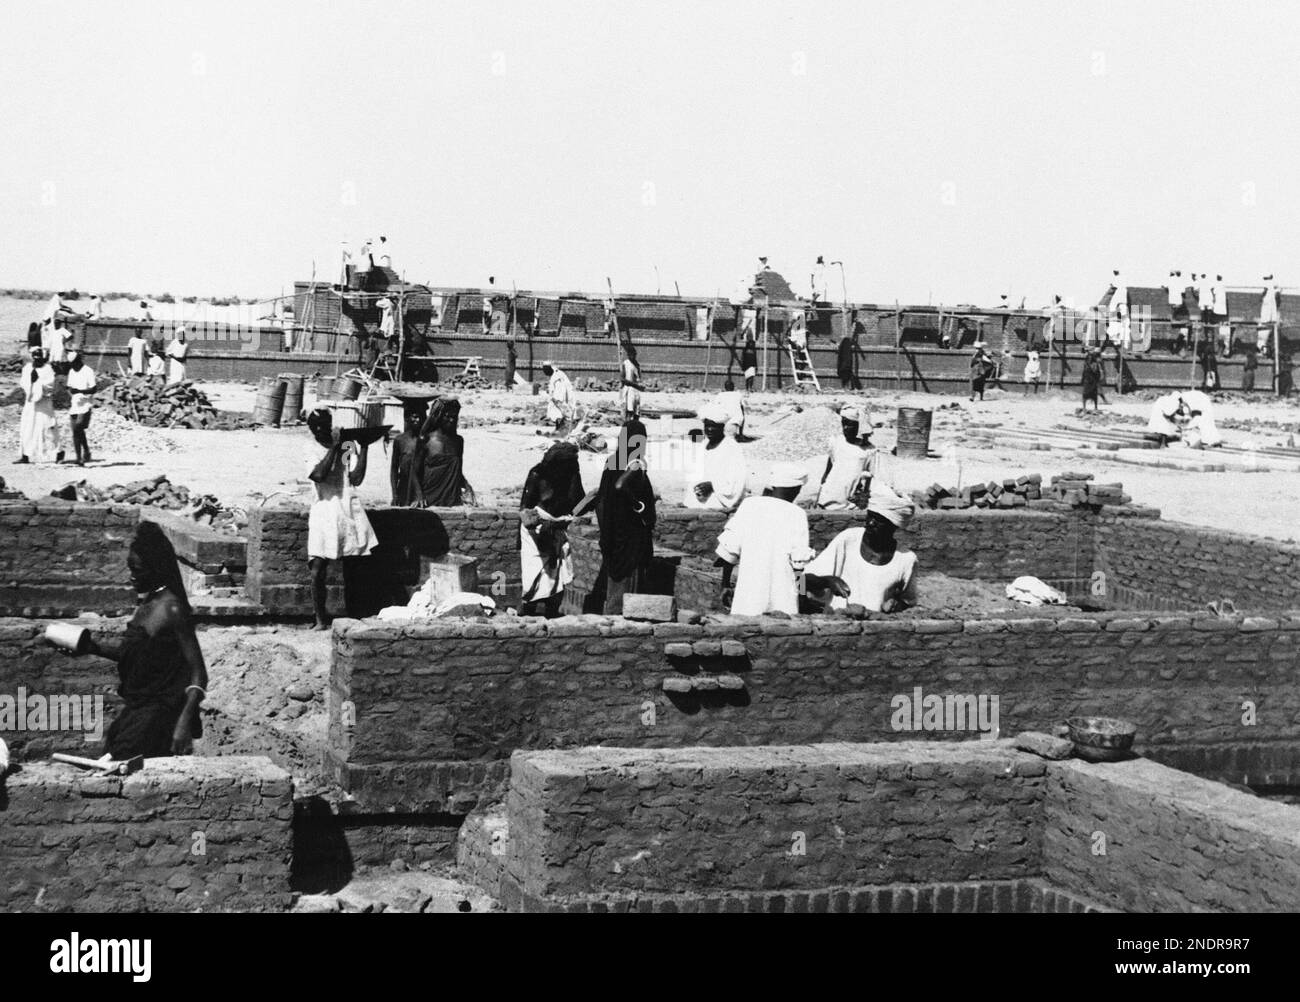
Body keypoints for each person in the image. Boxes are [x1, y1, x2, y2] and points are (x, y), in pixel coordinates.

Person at [71, 521, 207, 759]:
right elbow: (137, 654)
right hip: (136, 710)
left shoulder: (171, 609)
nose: (132, 577)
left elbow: (199, 673)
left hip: (157, 716)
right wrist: (92, 648)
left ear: (156, 569)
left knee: (123, 764)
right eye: (130, 568)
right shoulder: (147, 604)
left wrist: (183, 723)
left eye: (138, 570)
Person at [305, 408, 379, 629]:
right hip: (324, 508)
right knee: (317, 567)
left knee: (353, 565)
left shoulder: (347, 446)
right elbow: (319, 475)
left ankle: (353, 614)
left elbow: (355, 477)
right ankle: (320, 619)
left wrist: (364, 447)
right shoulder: (310, 447)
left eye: (325, 424)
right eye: (316, 426)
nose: (321, 430)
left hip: (346, 506)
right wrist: (335, 447)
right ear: (310, 428)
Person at [714, 463, 811, 616]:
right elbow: (799, 565)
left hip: (749, 594)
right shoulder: (797, 514)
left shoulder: (749, 505)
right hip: (783, 596)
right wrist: (802, 594)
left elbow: (730, 551)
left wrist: (725, 584)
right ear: (798, 489)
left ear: (773, 484)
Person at [805, 486, 919, 614]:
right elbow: (804, 580)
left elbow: (908, 601)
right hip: (837, 623)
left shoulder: (906, 559)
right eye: (870, 517)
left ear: (894, 526)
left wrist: (895, 605)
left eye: (879, 521)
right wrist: (827, 581)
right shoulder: (848, 540)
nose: (870, 524)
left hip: (875, 628)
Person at [594, 419, 656, 614]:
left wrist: (605, 530)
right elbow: (620, 486)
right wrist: (639, 506)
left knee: (615, 583)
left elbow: (601, 498)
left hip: (613, 531)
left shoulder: (613, 460)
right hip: (629, 534)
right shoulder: (635, 463)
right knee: (629, 584)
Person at [519, 441, 584, 617]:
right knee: (535, 575)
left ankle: (551, 615)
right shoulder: (537, 474)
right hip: (535, 530)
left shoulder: (571, 474)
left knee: (556, 578)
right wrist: (540, 528)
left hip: (558, 528)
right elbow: (525, 510)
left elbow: (578, 503)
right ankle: (528, 615)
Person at [413, 396, 475, 507]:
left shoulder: (458, 441)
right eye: (447, 416)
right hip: (429, 498)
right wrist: (419, 495)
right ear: (439, 416)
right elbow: (415, 471)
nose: (451, 420)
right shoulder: (425, 440)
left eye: (454, 417)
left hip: (452, 499)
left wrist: (467, 486)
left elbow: (457, 471)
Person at [684, 403, 747, 511]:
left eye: (714, 426)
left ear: (722, 427)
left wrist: (713, 486)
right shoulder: (703, 445)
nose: (710, 429)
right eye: (707, 426)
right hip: (697, 500)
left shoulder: (732, 448)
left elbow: (738, 479)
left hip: (719, 502)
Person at [816, 405, 875, 510]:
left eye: (850, 425)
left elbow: (870, 479)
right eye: (844, 424)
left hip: (849, 503)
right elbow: (829, 469)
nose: (845, 428)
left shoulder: (869, 451)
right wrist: (821, 491)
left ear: (860, 426)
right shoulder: (836, 442)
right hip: (828, 496)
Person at [16, 348, 60, 464]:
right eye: (35, 357)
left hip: (43, 405)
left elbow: (50, 386)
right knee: (27, 428)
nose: (37, 359)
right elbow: (24, 384)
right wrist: (31, 382)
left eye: (39, 357)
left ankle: (56, 453)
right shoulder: (27, 368)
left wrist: (37, 382)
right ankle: (25, 455)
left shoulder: (48, 369)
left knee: (47, 428)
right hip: (30, 404)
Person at [389, 400, 429, 505]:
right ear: (407, 418)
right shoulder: (400, 440)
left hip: (422, 486)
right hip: (404, 486)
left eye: (421, 417)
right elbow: (394, 468)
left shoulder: (426, 439)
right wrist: (394, 494)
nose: (418, 420)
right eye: (415, 417)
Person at [65, 350, 98, 466]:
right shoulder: (72, 372)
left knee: (79, 426)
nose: (73, 366)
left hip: (86, 404)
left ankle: (85, 452)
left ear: (78, 361)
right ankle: (80, 456)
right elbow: (69, 387)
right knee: (76, 431)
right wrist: (71, 394)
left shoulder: (88, 371)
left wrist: (80, 391)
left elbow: (94, 389)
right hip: (75, 404)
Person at [542, 361, 576, 430]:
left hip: (562, 396)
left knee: (558, 412)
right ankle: (559, 428)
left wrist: (556, 399)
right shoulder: (555, 374)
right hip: (560, 396)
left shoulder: (557, 376)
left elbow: (560, 389)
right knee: (557, 412)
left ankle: (560, 428)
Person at [618, 343, 643, 421]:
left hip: (636, 390)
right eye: (631, 355)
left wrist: (639, 385)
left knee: (637, 412)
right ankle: (625, 432)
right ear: (628, 355)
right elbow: (622, 378)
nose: (633, 356)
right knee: (629, 411)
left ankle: (635, 430)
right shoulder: (626, 364)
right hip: (629, 389)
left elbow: (639, 377)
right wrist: (633, 384)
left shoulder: (637, 364)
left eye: (634, 355)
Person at [1258, 276, 1279, 354]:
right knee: (1269, 318)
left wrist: (1261, 297)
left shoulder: (1267, 283)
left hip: (1267, 303)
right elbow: (1277, 294)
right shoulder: (1275, 283)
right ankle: (1265, 349)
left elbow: (1265, 290)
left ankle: (1264, 349)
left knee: (1265, 319)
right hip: (1271, 304)